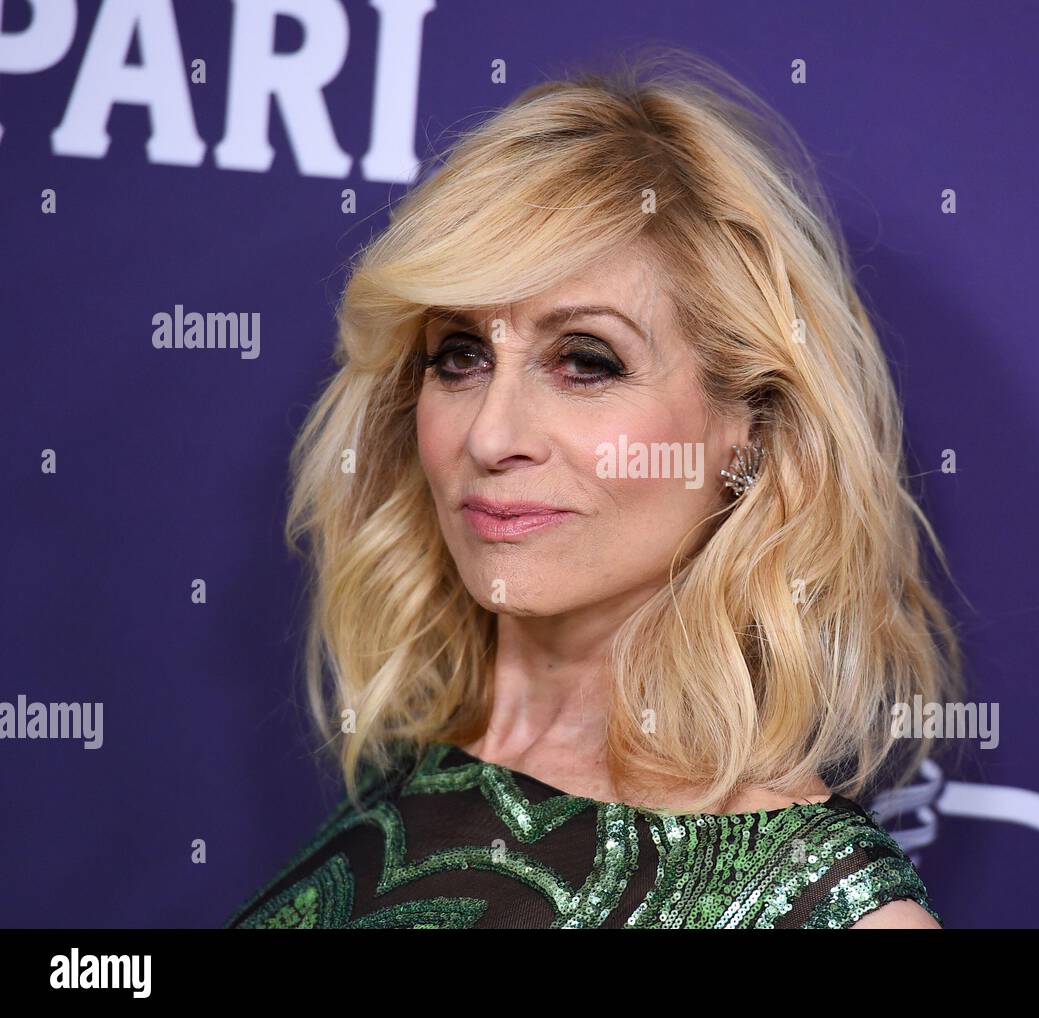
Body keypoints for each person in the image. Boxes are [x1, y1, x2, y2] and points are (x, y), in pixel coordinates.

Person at [225, 47, 962, 929]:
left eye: (586, 361)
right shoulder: (415, 780)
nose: (492, 436)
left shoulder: (821, 910)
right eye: (460, 355)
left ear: (749, 430)